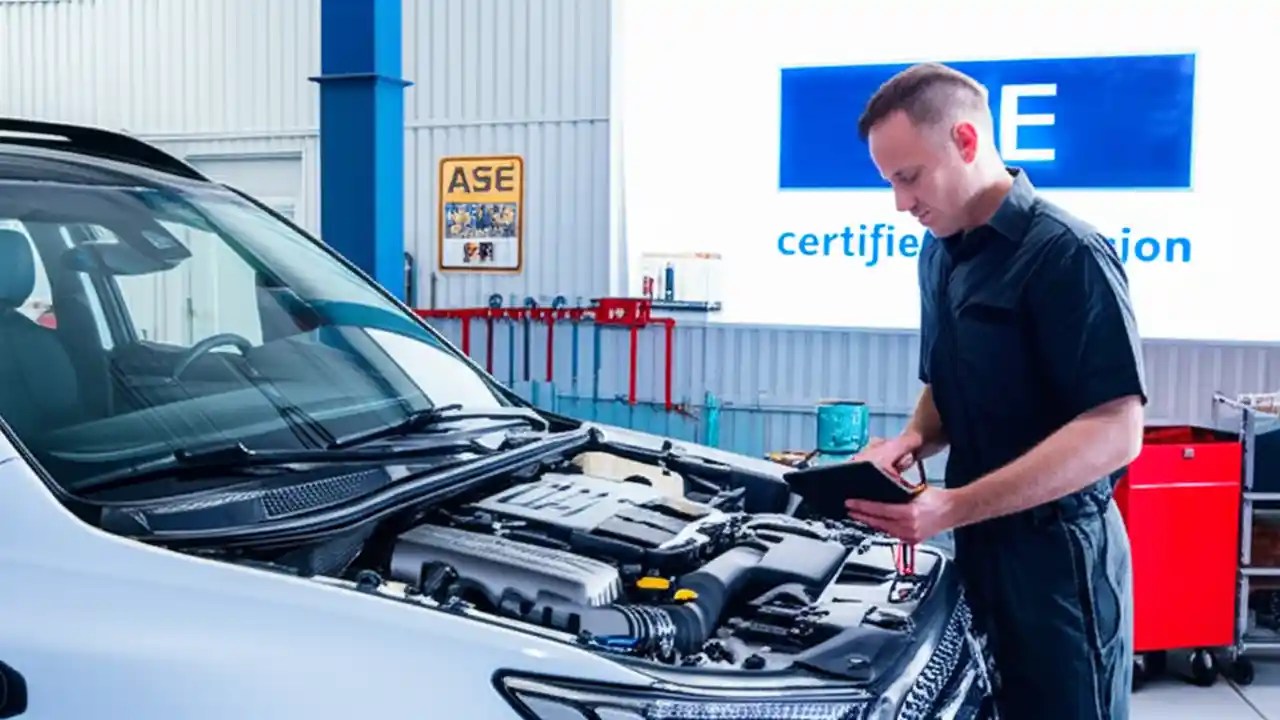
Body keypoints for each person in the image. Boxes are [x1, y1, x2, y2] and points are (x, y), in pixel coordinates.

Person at [845, 63, 1147, 720]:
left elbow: (1116, 430)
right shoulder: (940, 252)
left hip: (1058, 562)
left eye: (908, 177)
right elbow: (945, 385)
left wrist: (953, 507)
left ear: (965, 140)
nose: (900, 203)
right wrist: (912, 441)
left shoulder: (1067, 254)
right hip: (977, 547)